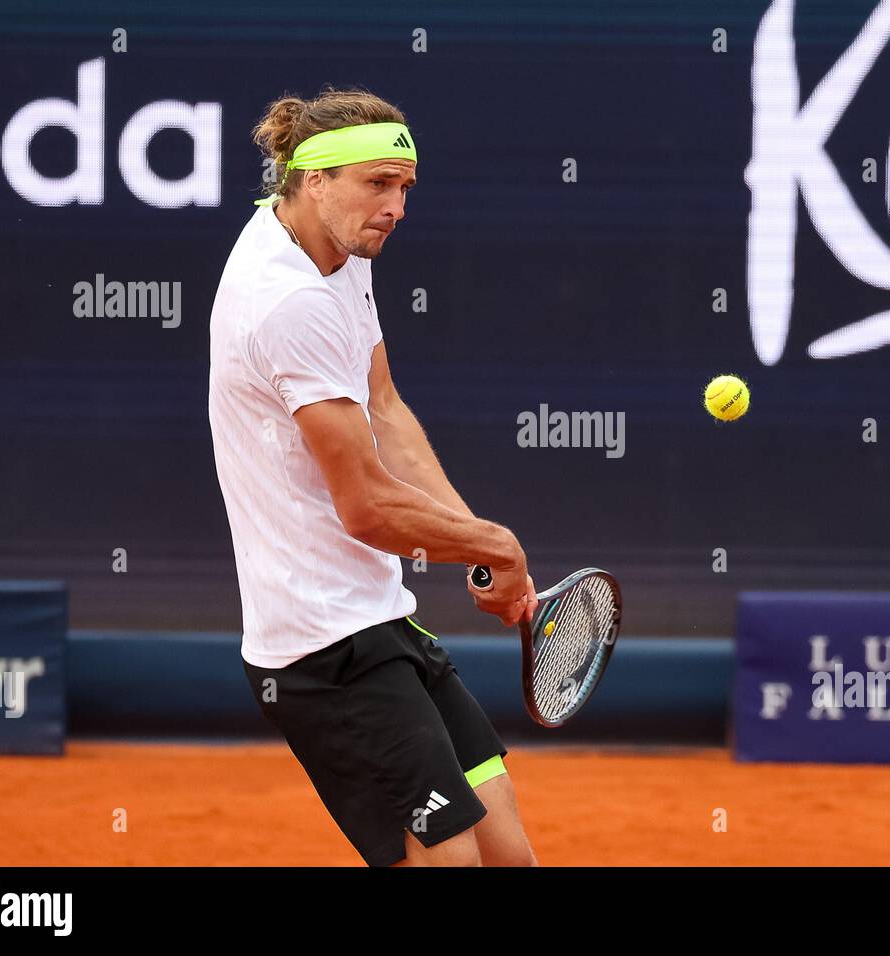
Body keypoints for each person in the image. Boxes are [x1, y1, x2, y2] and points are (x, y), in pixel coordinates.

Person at [208, 88, 538, 867]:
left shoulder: (336, 254)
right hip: (319, 649)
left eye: (404, 189)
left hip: (379, 619)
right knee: (448, 862)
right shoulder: (289, 301)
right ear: (312, 179)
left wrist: (480, 550)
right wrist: (494, 542)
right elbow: (364, 508)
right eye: (376, 184)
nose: (395, 208)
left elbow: (384, 406)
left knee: (506, 857)